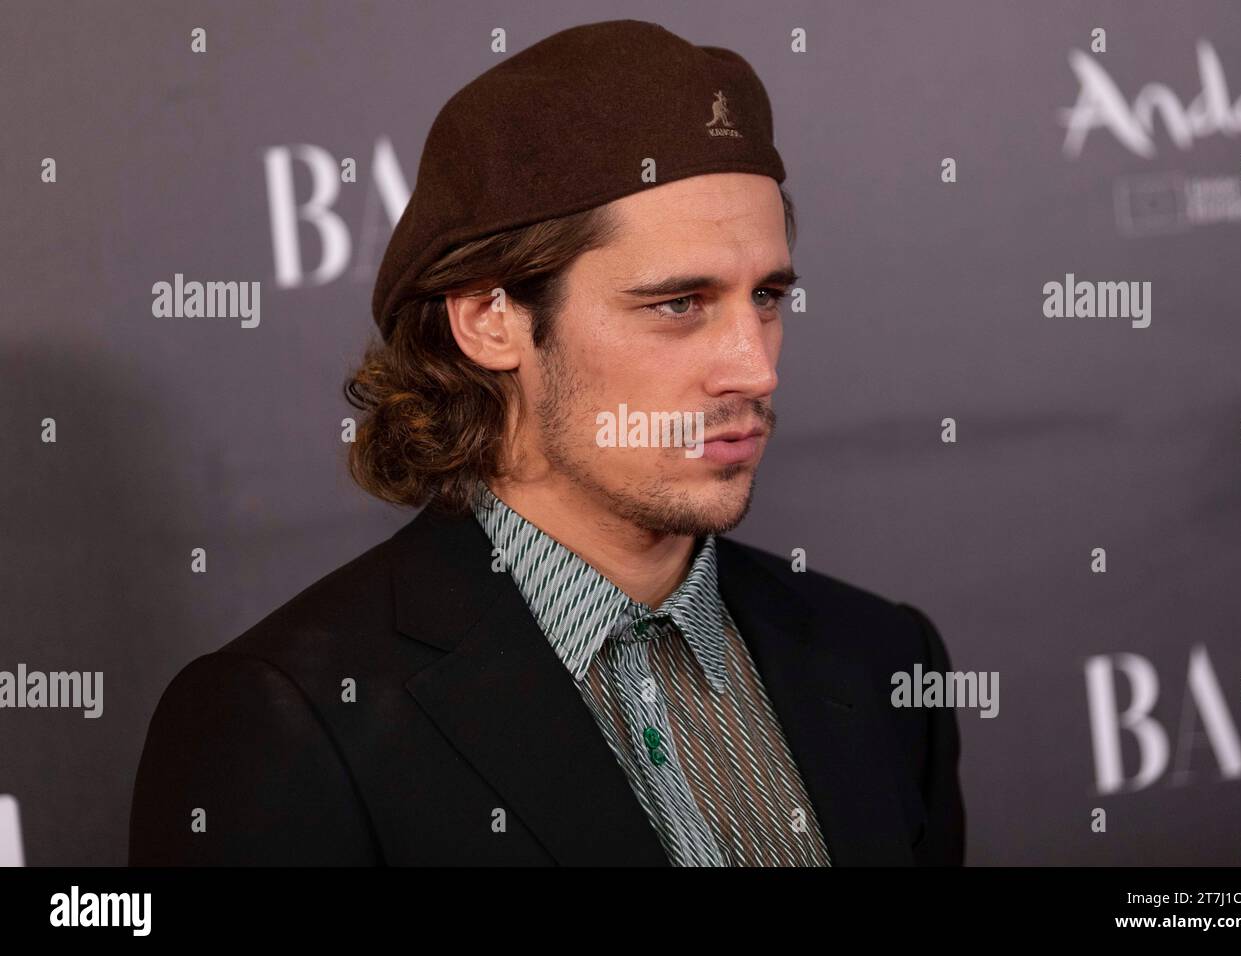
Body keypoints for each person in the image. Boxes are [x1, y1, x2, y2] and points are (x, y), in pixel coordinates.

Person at [128, 18, 964, 866]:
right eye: (679, 305)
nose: (753, 369)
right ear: (492, 322)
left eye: (769, 297)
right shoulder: (292, 720)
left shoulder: (879, 657)